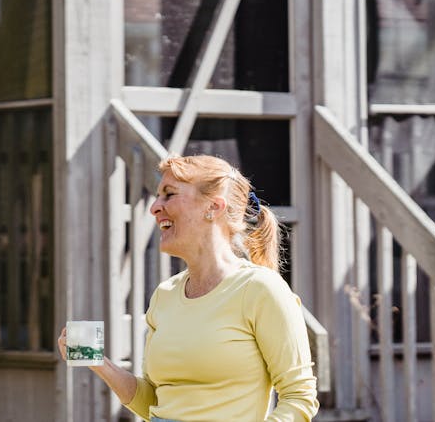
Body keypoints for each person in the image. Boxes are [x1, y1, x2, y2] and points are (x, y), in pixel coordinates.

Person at [59, 155, 318, 422]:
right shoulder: (165, 294)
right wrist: (101, 363)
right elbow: (152, 401)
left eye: (169, 195)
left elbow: (299, 397)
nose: (155, 207)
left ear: (214, 207)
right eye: (158, 196)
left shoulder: (261, 289)